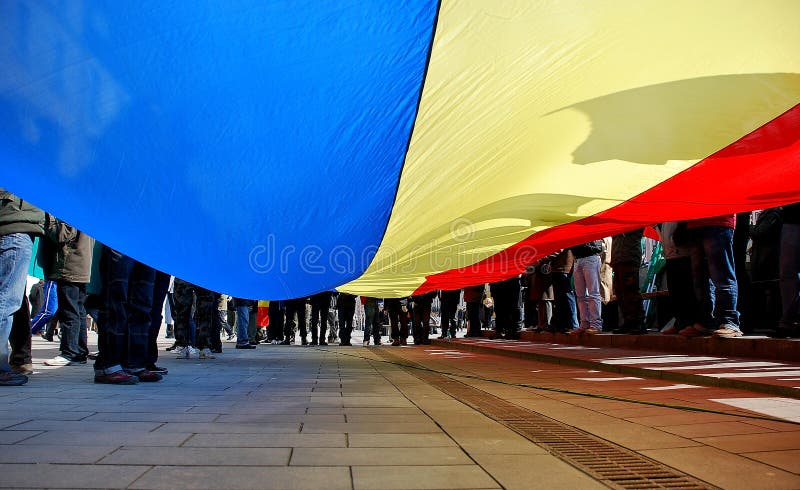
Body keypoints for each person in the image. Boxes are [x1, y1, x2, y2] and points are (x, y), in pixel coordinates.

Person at [94, 247, 162, 384]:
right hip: (121, 235)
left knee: (143, 303)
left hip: (149, 239)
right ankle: (108, 365)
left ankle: (134, 363)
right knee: (116, 298)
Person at [41, 218, 94, 366]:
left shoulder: (69, 211)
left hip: (69, 266)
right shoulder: (85, 210)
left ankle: (69, 352)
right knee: (78, 311)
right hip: (81, 265)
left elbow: (63, 235)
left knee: (69, 311)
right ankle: (79, 352)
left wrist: (50, 220)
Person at [679, 215, 742, 338]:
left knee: (721, 274)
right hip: (694, 221)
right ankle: (706, 321)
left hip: (718, 219)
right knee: (700, 278)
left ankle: (729, 322)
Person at [658, 222, 697, 334]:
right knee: (675, 291)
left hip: (682, 252)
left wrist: (677, 238)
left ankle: (688, 322)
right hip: (670, 253)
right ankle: (680, 322)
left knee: (685, 290)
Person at [610, 229, 646, 334]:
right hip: (618, 258)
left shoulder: (632, 221)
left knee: (630, 290)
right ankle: (628, 321)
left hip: (629, 256)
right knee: (620, 292)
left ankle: (638, 321)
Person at [173, 278, 217, 359]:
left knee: (206, 310)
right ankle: (183, 344)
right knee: (182, 310)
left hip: (202, 272)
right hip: (185, 271)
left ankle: (204, 345)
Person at [570, 239, 605, 334]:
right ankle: (584, 323)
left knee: (593, 292)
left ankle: (596, 325)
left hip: (591, 256)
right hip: (578, 259)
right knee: (580, 295)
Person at [777, 203, 800, 338]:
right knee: (787, 272)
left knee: (788, 273)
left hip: (791, 219)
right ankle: (788, 320)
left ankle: (788, 321)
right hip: (791, 218)